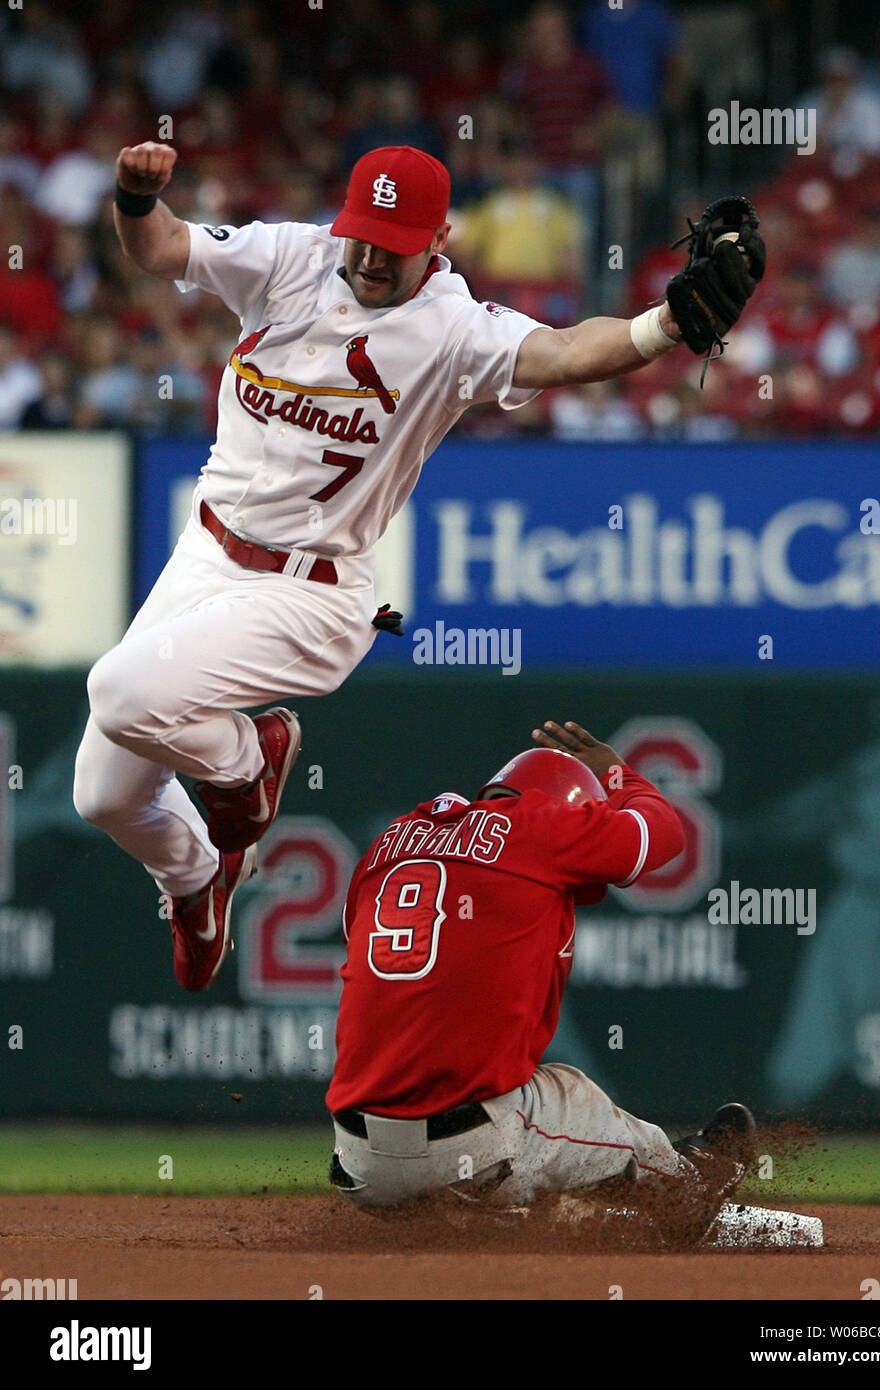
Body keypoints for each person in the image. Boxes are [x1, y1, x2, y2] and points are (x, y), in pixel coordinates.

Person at [72, 140, 761, 995]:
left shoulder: (451, 327)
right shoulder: (295, 257)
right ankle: (197, 878)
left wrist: (663, 325)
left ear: (437, 240)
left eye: (392, 244)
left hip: (311, 589)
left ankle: (250, 763)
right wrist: (136, 199)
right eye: (362, 233)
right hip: (206, 551)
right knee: (100, 792)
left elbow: (566, 352)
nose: (368, 256)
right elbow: (162, 248)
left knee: (120, 692)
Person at [326, 718, 755, 1239]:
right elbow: (662, 834)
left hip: (356, 1164)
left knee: (509, 1100)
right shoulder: (540, 825)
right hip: (473, 1150)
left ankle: (471, 1210)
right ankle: (688, 1184)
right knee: (570, 1091)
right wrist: (620, 777)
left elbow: (366, 945)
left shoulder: (388, 843)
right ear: (564, 805)